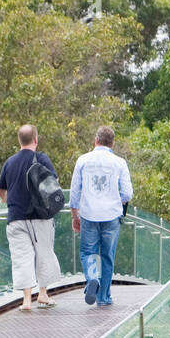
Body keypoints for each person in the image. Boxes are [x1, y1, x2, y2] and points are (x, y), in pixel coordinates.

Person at [0, 124, 62, 312]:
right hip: (40, 216)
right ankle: (43, 293)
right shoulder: (41, 159)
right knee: (44, 253)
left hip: (15, 218)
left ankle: (26, 299)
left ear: (19, 140)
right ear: (36, 139)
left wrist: (8, 201)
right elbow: (52, 182)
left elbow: (1, 190)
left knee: (21, 257)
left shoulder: (9, 162)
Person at [69, 126, 133, 307]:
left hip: (89, 214)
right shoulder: (119, 162)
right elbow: (127, 193)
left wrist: (75, 215)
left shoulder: (83, 160)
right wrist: (116, 201)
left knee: (87, 252)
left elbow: (74, 192)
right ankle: (103, 298)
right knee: (107, 256)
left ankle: (91, 277)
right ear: (112, 144)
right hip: (111, 215)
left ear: (96, 140)